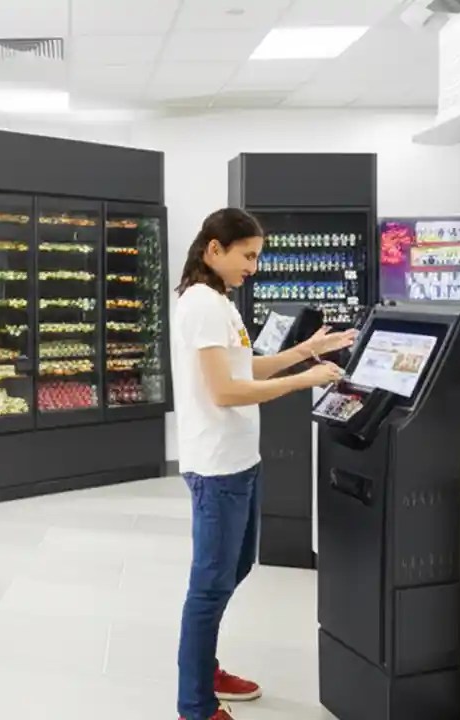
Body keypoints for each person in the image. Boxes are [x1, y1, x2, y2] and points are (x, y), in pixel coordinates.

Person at [171, 209, 356, 720]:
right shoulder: (203, 305)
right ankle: (196, 705)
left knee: (236, 566)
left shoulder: (219, 303)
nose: (254, 266)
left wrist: (305, 351)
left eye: (257, 256)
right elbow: (227, 390)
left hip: (239, 461)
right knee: (209, 585)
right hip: (217, 467)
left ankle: (203, 666)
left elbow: (243, 367)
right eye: (247, 255)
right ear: (214, 249)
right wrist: (304, 381)